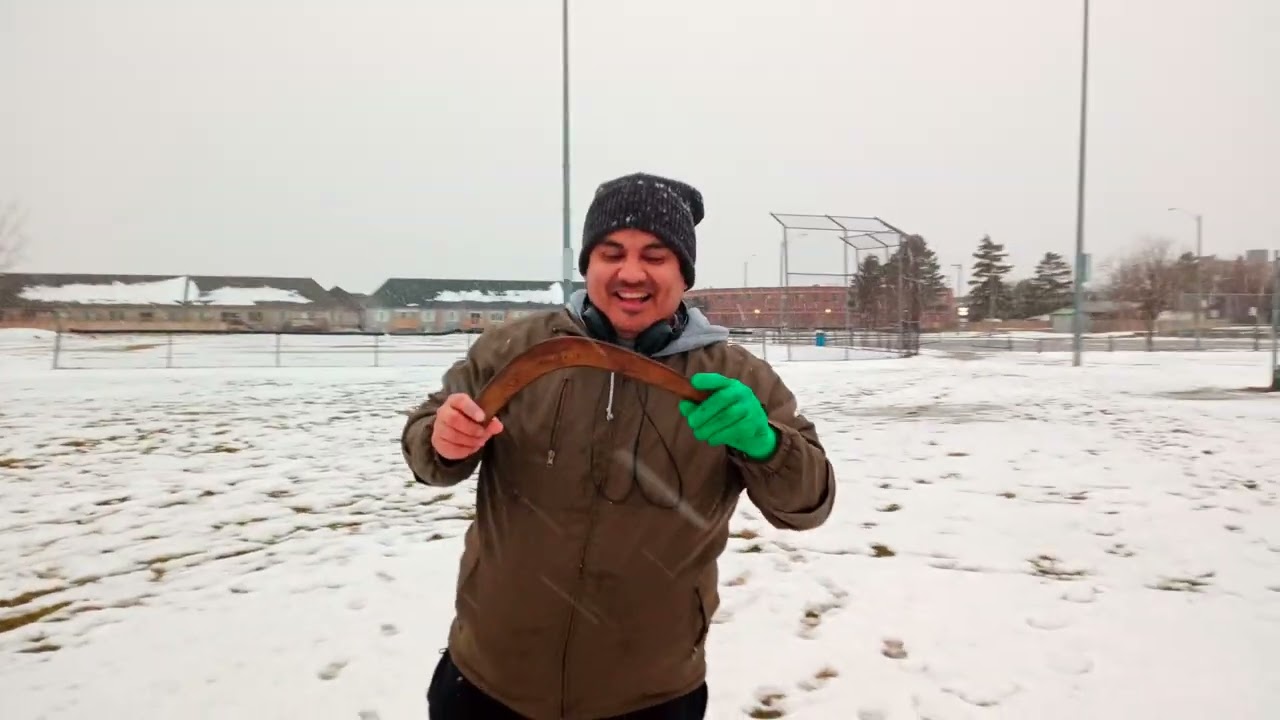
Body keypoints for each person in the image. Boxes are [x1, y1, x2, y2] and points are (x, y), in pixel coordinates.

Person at [402, 172, 837, 720]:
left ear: (685, 274)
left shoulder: (736, 378)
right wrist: (441, 440)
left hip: (650, 695)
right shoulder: (516, 349)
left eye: (656, 256)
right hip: (488, 680)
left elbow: (809, 504)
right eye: (612, 253)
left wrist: (768, 445)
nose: (631, 273)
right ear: (588, 266)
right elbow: (428, 448)